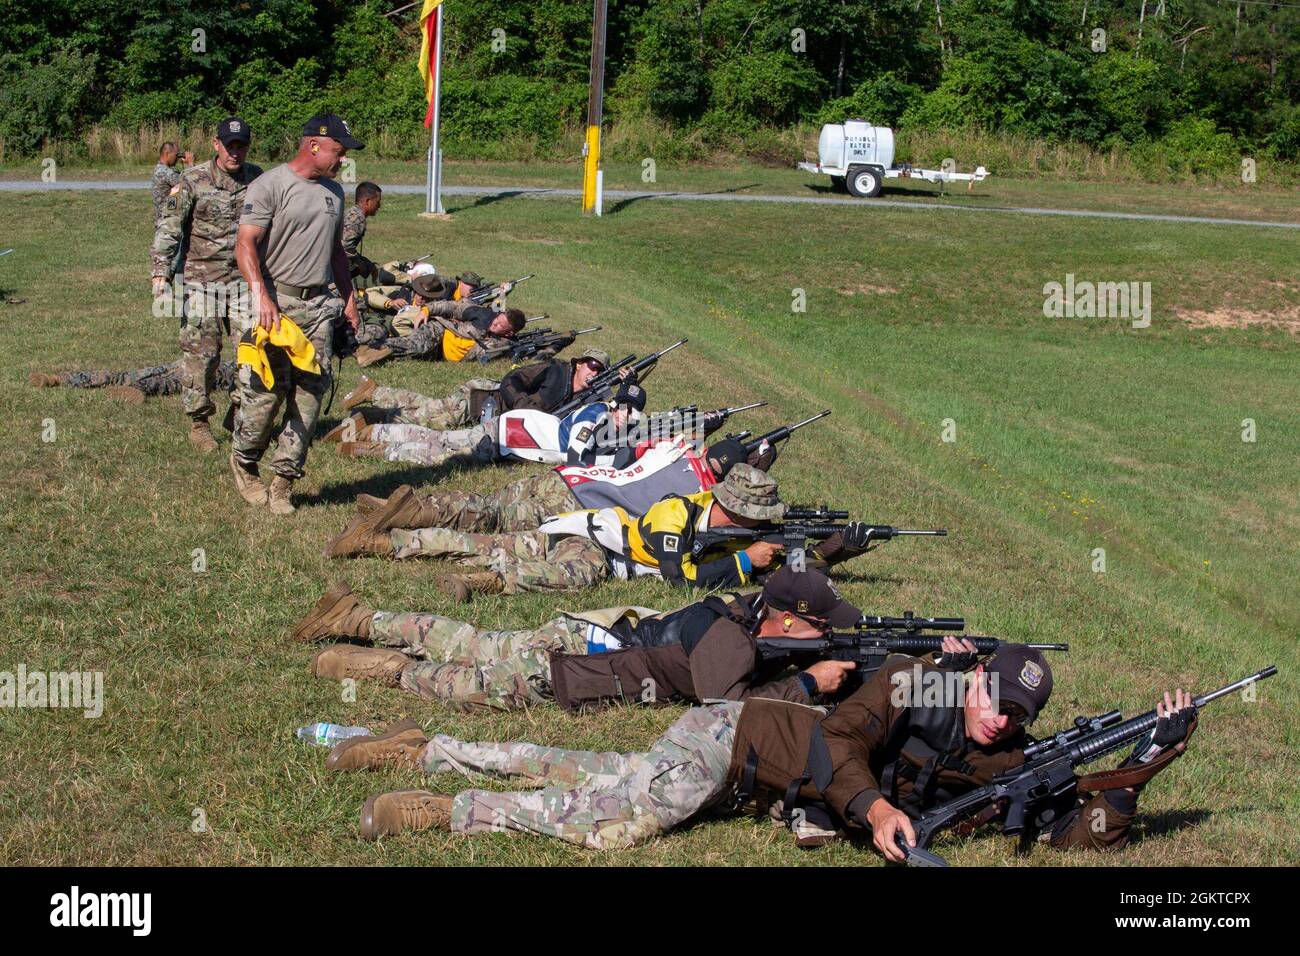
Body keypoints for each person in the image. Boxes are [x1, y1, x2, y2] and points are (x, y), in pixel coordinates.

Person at [329, 648, 1196, 854]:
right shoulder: (914, 684)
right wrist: (879, 809)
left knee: (590, 771)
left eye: (1014, 717)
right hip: (737, 740)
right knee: (618, 821)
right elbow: (844, 742)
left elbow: (1070, 827)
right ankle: (447, 809)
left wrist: (1152, 760)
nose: (998, 723)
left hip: (747, 778)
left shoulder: (1004, 751)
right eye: (991, 700)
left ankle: (429, 748)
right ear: (968, 679)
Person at [291, 566, 866, 711]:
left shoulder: (748, 612)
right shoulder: (732, 644)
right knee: (465, 683)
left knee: (473, 641)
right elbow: (728, 708)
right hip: (575, 666)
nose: (828, 629)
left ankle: (362, 617)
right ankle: (381, 662)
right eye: (821, 622)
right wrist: (809, 685)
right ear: (788, 620)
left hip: (587, 634)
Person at [323, 463, 871, 603]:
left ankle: (379, 540)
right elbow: (680, 583)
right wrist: (747, 562)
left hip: (592, 537)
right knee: (577, 576)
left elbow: (785, 565)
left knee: (485, 542)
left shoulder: (734, 531)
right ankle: (489, 581)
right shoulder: (675, 515)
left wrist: (829, 553)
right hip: (596, 540)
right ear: (741, 511)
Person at [229, 113, 362, 514]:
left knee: (309, 396)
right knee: (265, 394)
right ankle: (245, 462)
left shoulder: (335, 193)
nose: (343, 160)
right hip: (274, 305)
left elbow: (337, 252)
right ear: (315, 145)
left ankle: (284, 481)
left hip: (318, 306)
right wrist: (262, 298)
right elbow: (245, 244)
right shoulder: (270, 185)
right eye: (339, 151)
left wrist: (350, 299)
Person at [329, 432, 773, 540]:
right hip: (579, 500)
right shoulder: (698, 497)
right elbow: (729, 523)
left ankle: (401, 503)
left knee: (487, 500)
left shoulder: (675, 449)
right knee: (490, 517)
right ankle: (406, 514)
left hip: (571, 477)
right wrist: (765, 464)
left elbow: (632, 450)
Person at [151, 118, 262, 454]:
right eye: (230, 146)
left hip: (244, 282)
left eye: (241, 145)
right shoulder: (191, 180)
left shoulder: (258, 179)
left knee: (254, 353)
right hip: (203, 283)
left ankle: (240, 409)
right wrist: (161, 272)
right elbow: (170, 226)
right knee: (203, 357)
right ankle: (199, 423)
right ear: (216, 144)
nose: (235, 152)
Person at [336, 346, 612, 433]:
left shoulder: (581, 399)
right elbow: (511, 379)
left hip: (496, 416)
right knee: (436, 418)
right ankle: (372, 415)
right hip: (484, 399)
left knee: (429, 406)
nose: (593, 371)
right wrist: (521, 405)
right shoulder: (555, 370)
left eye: (598, 369)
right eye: (591, 364)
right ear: (578, 364)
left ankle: (374, 390)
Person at [349, 274, 528, 368]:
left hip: (443, 354)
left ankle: (372, 351)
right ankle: (368, 349)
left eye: (499, 326)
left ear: (509, 332)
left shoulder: (503, 343)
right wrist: (427, 310)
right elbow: (451, 307)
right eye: (497, 319)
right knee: (415, 346)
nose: (494, 323)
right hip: (441, 329)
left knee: (414, 355)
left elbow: (482, 356)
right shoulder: (481, 313)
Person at [29, 360, 237, 403]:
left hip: (201, 361)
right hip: (212, 369)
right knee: (167, 381)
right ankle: (58, 379)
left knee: (130, 374)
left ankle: (58, 379)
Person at [341, 181, 384, 282]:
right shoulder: (357, 219)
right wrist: (360, 264)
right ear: (367, 201)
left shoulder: (352, 213)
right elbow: (345, 247)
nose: (379, 206)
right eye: (377, 202)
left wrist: (366, 263)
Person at [150, 142, 191, 227]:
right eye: (176, 155)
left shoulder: (160, 169)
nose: (177, 158)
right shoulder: (165, 172)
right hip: (167, 222)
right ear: (167, 154)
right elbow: (189, 185)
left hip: (164, 219)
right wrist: (190, 165)